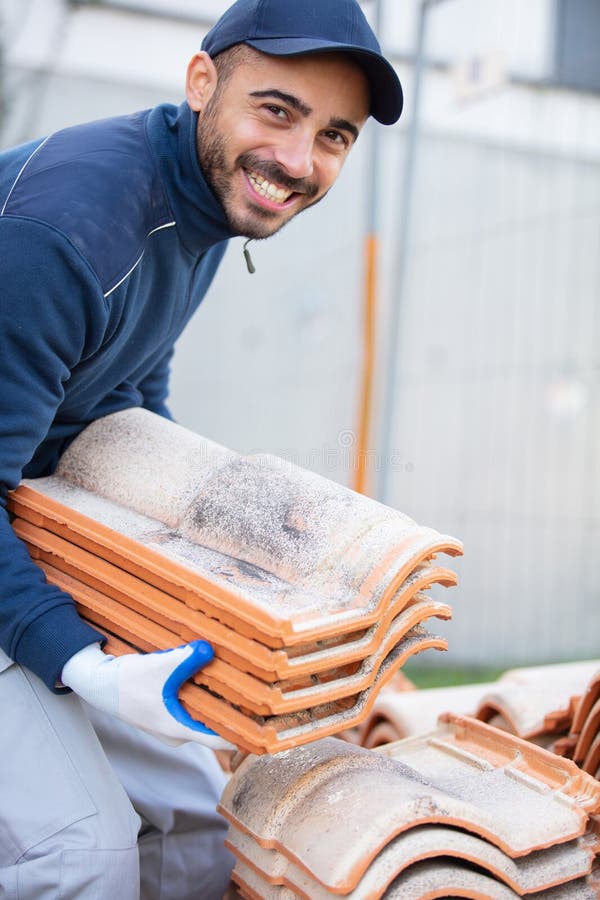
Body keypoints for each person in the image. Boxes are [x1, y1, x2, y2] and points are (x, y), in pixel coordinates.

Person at [0, 0, 403, 897]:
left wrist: (220, 552)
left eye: (334, 135)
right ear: (201, 83)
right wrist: (77, 661)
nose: (298, 163)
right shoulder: (67, 231)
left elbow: (127, 398)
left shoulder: (205, 204)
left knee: (197, 822)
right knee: (79, 851)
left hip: (15, 535)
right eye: (278, 110)